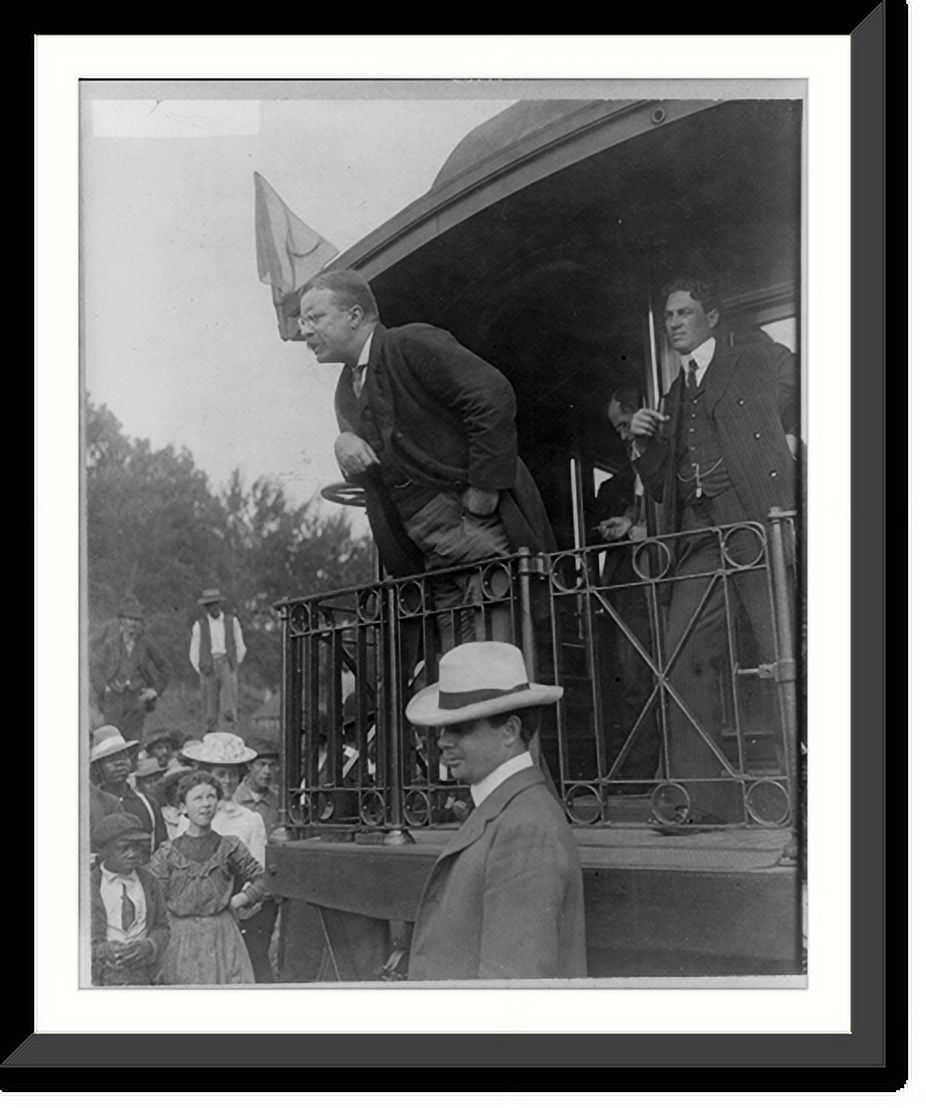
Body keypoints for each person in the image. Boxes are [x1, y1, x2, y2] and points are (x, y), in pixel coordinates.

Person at [297, 269, 555, 649]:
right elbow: (371, 471)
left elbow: (491, 396)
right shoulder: (345, 393)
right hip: (425, 551)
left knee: (496, 660)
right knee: (457, 667)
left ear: (354, 315)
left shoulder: (410, 343)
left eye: (315, 317)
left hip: (474, 527)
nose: (304, 331)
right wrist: (343, 444)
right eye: (302, 321)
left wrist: (484, 490)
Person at [630, 277, 799, 825]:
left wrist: (774, 429)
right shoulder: (672, 395)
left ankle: (814, 791)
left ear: (712, 317)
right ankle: (702, 801)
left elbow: (793, 383)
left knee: (783, 653)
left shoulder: (750, 356)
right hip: (699, 533)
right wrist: (641, 444)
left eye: (684, 312)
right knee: (681, 655)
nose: (674, 322)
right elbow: (664, 484)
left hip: (750, 521)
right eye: (668, 315)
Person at [404, 641, 587, 981]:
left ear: (510, 731)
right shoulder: (510, 810)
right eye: (443, 728)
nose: (442, 740)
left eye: (461, 726)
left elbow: (510, 991)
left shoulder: (524, 828)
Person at [586, 386, 659, 787]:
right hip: (628, 590)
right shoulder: (614, 486)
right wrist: (616, 528)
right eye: (617, 429)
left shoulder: (661, 464)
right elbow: (594, 536)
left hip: (663, 582)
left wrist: (637, 528)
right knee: (633, 681)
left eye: (625, 424)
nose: (622, 435)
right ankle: (641, 772)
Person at [148, 770, 264, 985]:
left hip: (222, 937)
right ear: (183, 807)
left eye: (211, 797)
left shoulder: (230, 847)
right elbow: (153, 898)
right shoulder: (167, 853)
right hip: (180, 939)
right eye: (198, 798)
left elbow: (263, 879)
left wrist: (240, 899)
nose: (206, 804)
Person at [89, 813, 170, 986]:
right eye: (123, 848)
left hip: (143, 976)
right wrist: (101, 951)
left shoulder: (149, 882)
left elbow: (162, 927)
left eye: (137, 847)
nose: (133, 854)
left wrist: (148, 946)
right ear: (104, 850)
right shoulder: (87, 885)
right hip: (101, 978)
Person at [233, 734, 283, 983]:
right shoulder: (231, 800)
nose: (267, 771)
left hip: (266, 892)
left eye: (272, 765)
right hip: (233, 891)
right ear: (248, 766)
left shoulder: (279, 803)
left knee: (260, 953)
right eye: (261, 764)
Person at [90, 595, 170, 743]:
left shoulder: (146, 644)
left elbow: (164, 668)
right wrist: (104, 688)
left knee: (133, 742)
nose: (133, 623)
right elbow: (95, 667)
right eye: (129, 618)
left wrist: (155, 691)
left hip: (137, 700)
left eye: (137, 620)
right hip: (114, 700)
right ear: (121, 620)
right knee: (113, 741)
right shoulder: (111, 645)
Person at [90, 726, 168, 850]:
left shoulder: (148, 803)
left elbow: (162, 848)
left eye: (123, 756)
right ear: (98, 767)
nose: (119, 763)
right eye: (111, 759)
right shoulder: (93, 805)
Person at [189, 587, 247, 731]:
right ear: (206, 607)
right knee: (209, 710)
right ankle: (210, 738)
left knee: (229, 708)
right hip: (208, 666)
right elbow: (194, 652)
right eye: (209, 605)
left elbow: (240, 646)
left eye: (214, 604)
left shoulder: (232, 621)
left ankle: (230, 736)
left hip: (227, 663)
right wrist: (202, 669)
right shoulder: (199, 625)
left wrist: (233, 664)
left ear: (219, 604)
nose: (212, 608)